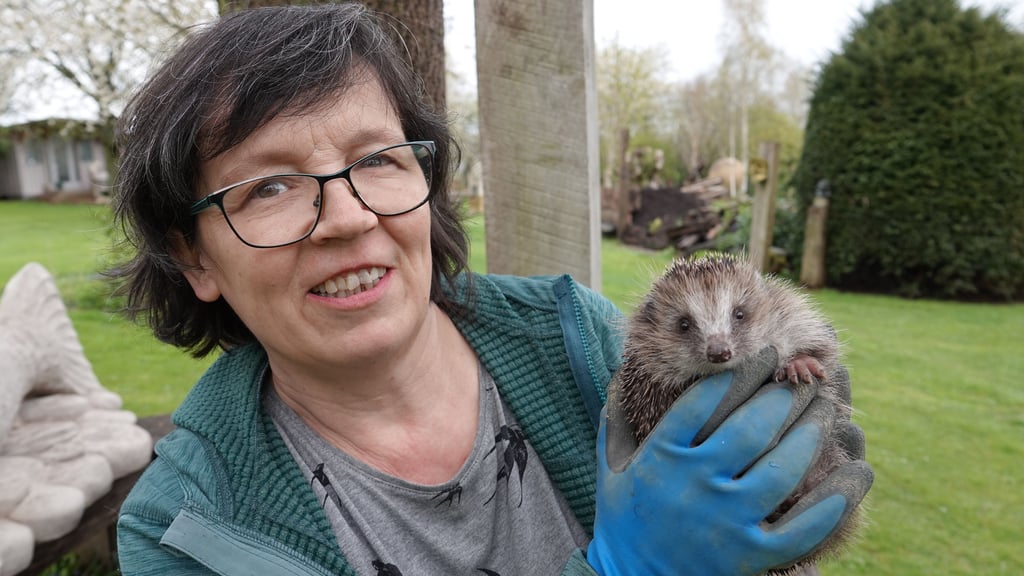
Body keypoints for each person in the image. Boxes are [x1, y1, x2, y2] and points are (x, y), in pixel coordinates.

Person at [112, 4, 872, 575]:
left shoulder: (583, 340)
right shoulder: (184, 532)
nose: (347, 217)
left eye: (378, 159)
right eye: (271, 186)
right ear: (193, 259)